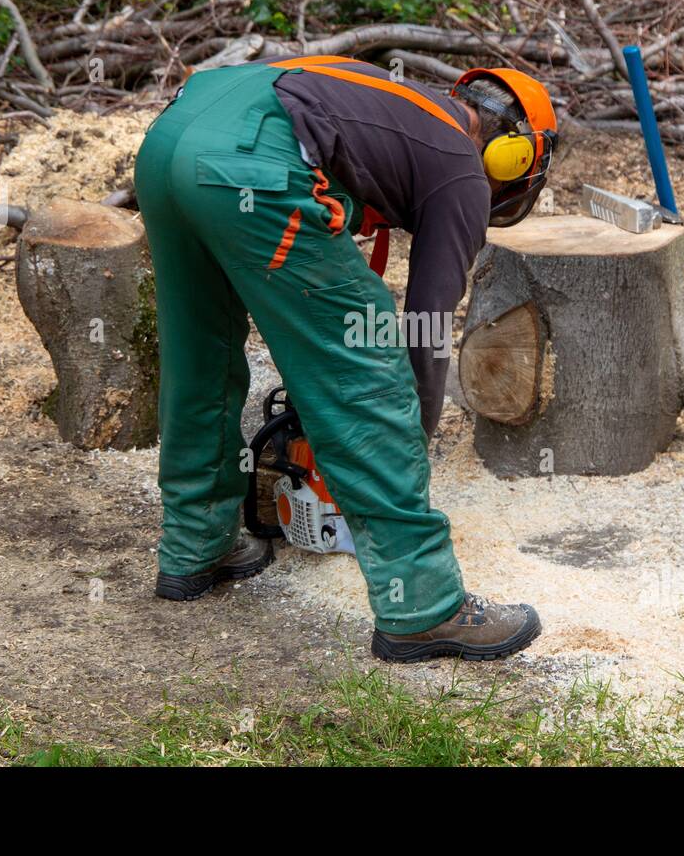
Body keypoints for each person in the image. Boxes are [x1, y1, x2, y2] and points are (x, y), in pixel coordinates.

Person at [133, 54, 558, 662]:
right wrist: (407, 430)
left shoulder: (396, 103)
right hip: (252, 164)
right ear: (514, 156)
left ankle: (195, 544)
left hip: (172, 137)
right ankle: (423, 605)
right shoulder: (463, 166)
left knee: (200, 350)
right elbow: (427, 328)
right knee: (368, 370)